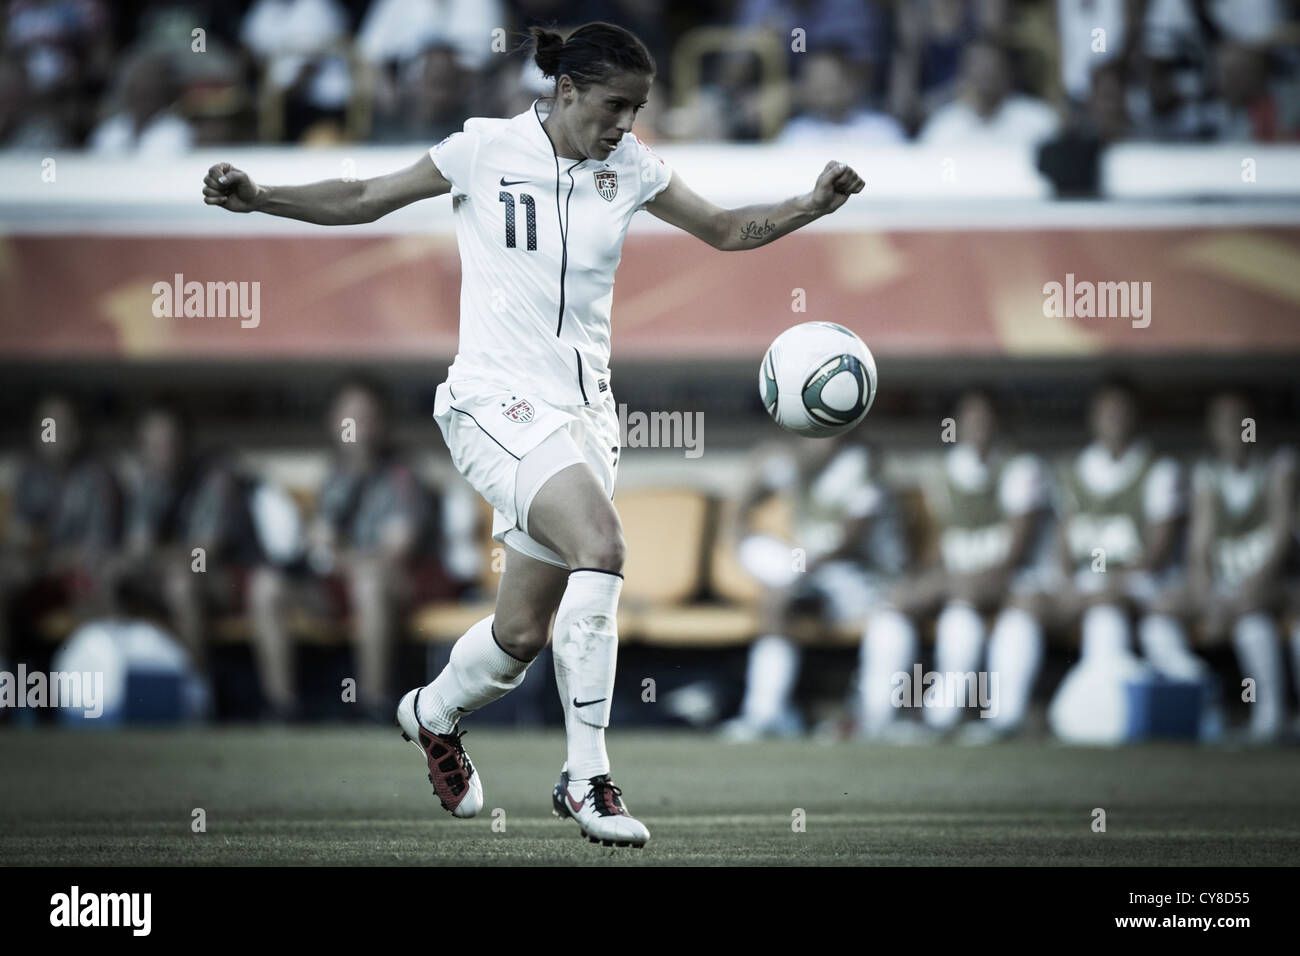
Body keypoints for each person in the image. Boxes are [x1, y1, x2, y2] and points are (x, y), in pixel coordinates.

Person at [203, 21, 865, 848]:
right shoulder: (482, 148)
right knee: (604, 543)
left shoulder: (632, 168)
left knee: (518, 637)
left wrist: (810, 204)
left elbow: (727, 230)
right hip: (490, 403)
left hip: (586, 421)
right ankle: (586, 777)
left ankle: (430, 713)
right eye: (615, 106)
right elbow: (365, 197)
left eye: (639, 109)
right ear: (566, 91)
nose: (626, 124)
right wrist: (261, 196)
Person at [719, 434, 910, 741]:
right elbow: (755, 479)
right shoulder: (800, 464)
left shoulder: (863, 467)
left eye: (824, 433)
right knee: (775, 601)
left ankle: (876, 718)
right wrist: (737, 522)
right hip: (818, 574)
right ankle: (766, 715)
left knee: (889, 622)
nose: (815, 441)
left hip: (867, 580)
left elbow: (848, 543)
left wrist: (797, 575)